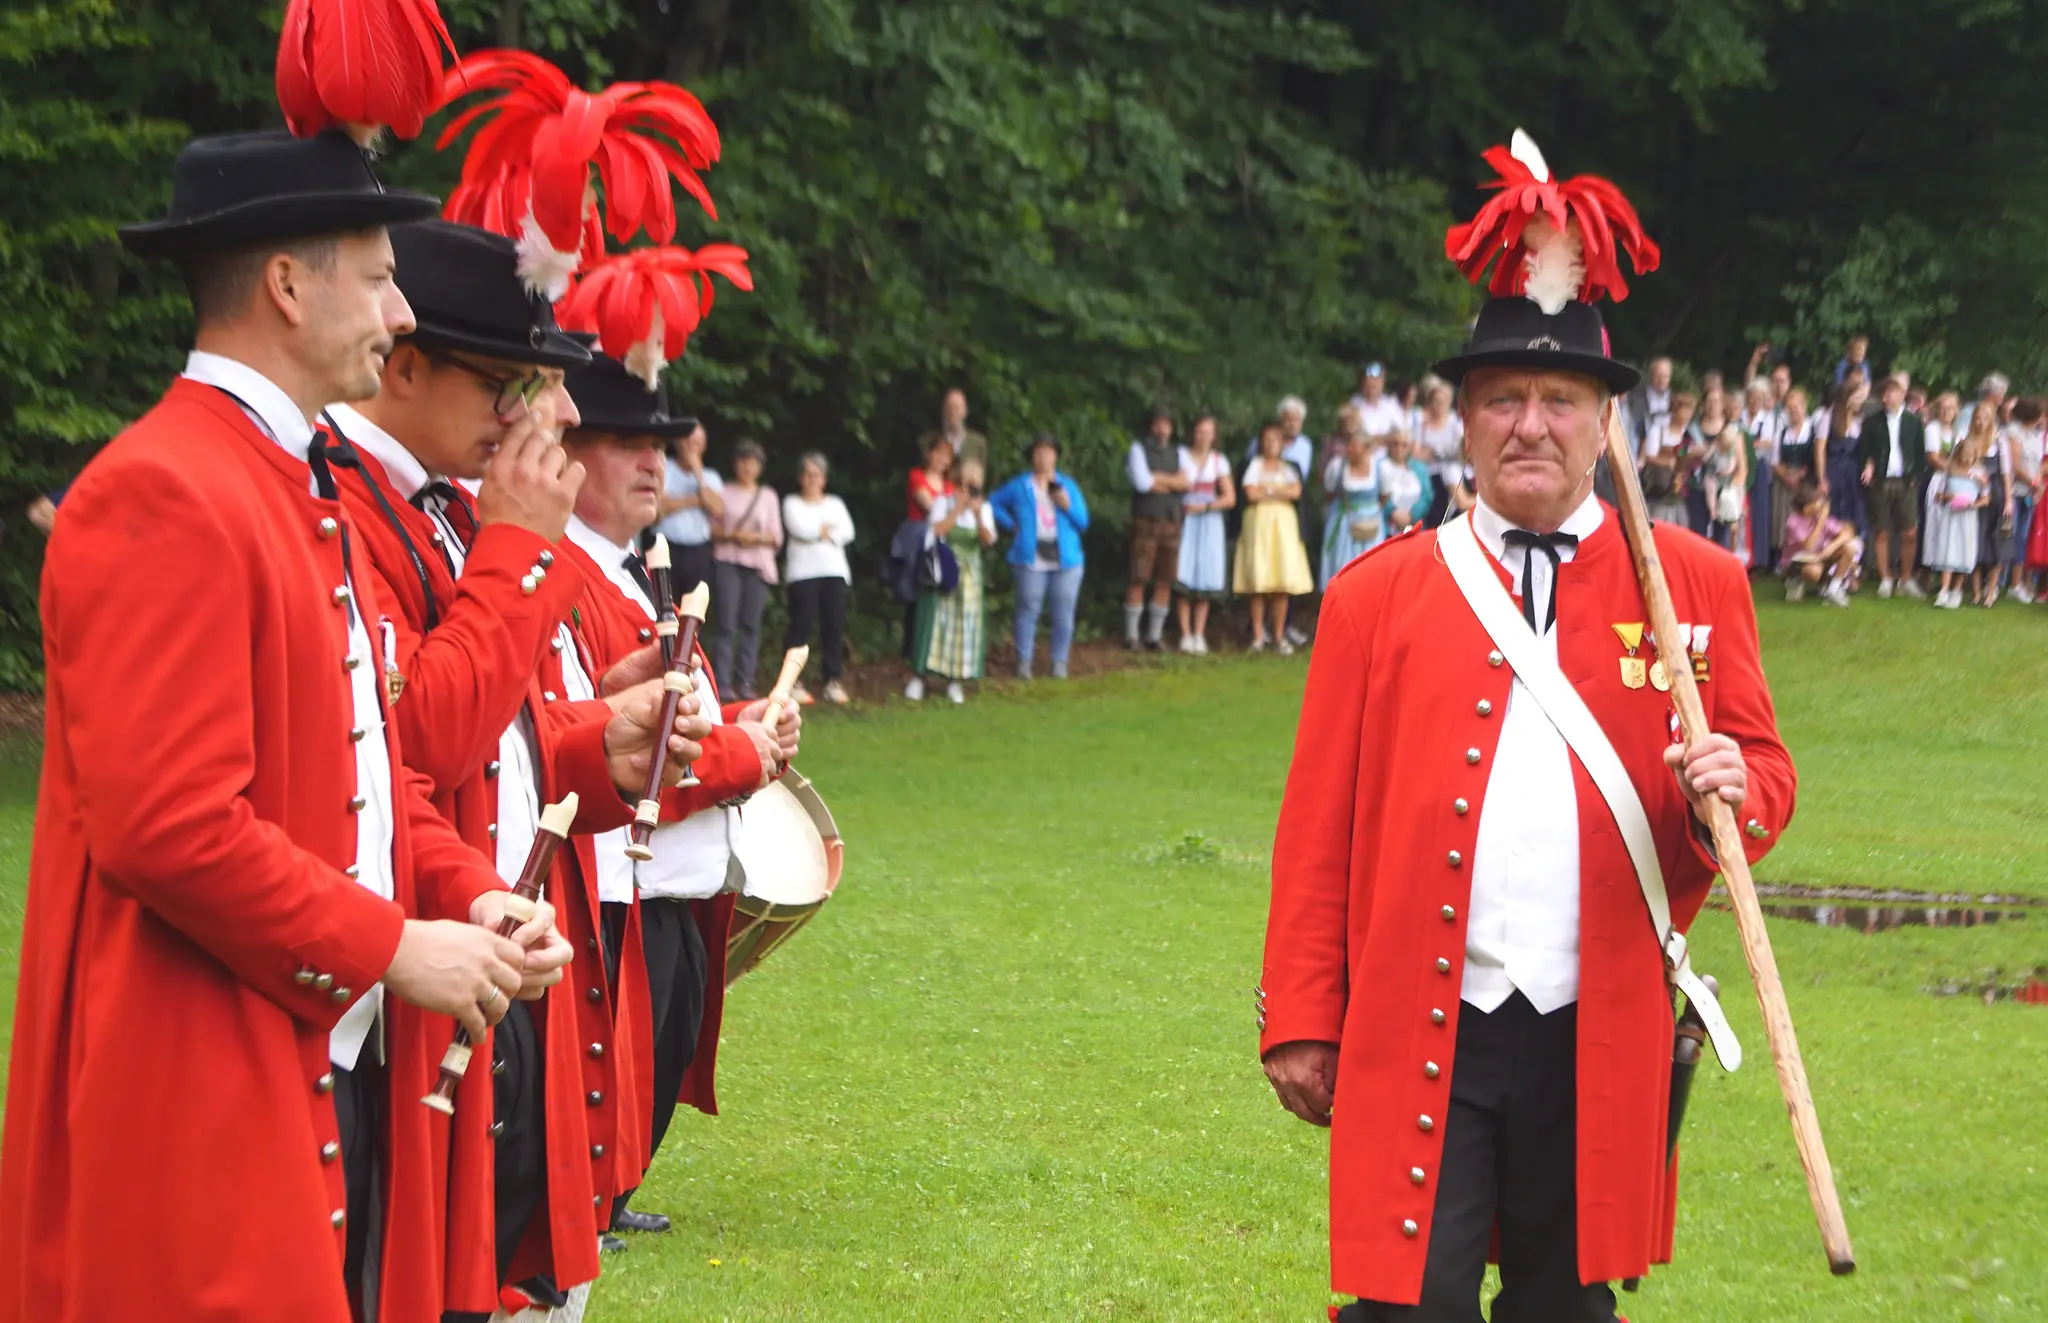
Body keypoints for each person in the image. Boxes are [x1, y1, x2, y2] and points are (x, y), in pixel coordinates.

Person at [0, 128, 571, 1323]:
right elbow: (169, 828)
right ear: (286, 286)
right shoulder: (165, 486)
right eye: (379, 277)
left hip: (309, 1057)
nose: (401, 312)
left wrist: (463, 893)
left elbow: (364, 772)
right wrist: (392, 947)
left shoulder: (296, 480)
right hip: (202, 1078)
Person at [1263, 136, 1794, 1323]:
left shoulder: (1696, 584)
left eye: (1560, 402)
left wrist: (1732, 788)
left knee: (1565, 1308)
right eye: (1502, 399)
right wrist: (1300, 1014)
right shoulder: (1373, 595)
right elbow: (1315, 828)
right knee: (1409, 1306)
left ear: (1605, 424)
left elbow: (1763, 772)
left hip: (1600, 1021)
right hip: (1422, 1015)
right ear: (1460, 422)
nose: (1530, 426)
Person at [322, 220, 700, 1314]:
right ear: (405, 369)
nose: (552, 417)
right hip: (418, 970)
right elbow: (421, 742)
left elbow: (497, 739)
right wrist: (522, 549)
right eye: (512, 385)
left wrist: (599, 737)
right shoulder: (365, 506)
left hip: (483, 950)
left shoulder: (442, 507)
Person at [555, 350, 801, 1244]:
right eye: (628, 443)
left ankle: (611, 1192)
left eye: (659, 446)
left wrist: (744, 717)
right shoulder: (567, 575)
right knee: (613, 1053)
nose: (653, 463)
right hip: (625, 868)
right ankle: (587, 1198)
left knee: (667, 1039)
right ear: (570, 452)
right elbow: (614, 739)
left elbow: (680, 713)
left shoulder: (632, 569)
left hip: (676, 875)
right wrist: (742, 751)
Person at [991, 434, 1089, 679]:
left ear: (1056, 456)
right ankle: (1023, 662)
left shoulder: (1068, 486)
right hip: (1030, 556)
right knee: (1028, 608)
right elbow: (992, 503)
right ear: (1032, 456)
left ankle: (1059, 662)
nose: (1043, 457)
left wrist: (1067, 506)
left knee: (1063, 612)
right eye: (1038, 452)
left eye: (1048, 452)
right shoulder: (1020, 486)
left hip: (1066, 559)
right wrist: (1011, 525)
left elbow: (1083, 522)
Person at [908, 459, 998, 702]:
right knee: (935, 623)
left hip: (969, 575)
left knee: (962, 627)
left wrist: (977, 514)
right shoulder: (942, 503)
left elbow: (988, 540)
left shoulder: (984, 509)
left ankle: (954, 681)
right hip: (943, 570)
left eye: (973, 486)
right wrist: (957, 509)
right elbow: (936, 531)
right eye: (962, 484)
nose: (967, 491)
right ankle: (919, 677)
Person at [708, 438, 783, 700]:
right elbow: (712, 529)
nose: (747, 467)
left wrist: (755, 538)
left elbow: (776, 536)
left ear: (760, 466)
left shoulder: (768, 496)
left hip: (758, 567)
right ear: (735, 464)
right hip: (728, 561)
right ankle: (722, 682)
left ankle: (746, 681)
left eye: (752, 462)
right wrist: (732, 535)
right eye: (743, 461)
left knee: (751, 625)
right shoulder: (723, 491)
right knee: (726, 623)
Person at [781, 452, 856, 704]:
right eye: (808, 474)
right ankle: (792, 682)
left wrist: (820, 533)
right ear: (800, 478)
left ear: (824, 479)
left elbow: (848, 532)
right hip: (802, 574)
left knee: (833, 628)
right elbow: (799, 529)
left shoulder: (835, 503)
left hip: (835, 573)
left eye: (817, 475)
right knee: (800, 627)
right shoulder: (791, 503)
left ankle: (832, 681)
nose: (813, 479)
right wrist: (823, 531)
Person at [1233, 422, 1313, 653]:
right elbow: (1250, 493)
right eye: (1267, 440)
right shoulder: (1253, 466)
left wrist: (1266, 491)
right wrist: (1279, 492)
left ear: (1282, 444)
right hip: (1258, 525)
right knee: (1258, 581)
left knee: (1281, 581)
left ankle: (1279, 636)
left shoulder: (1289, 467)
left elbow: (1296, 492)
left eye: (1275, 440)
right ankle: (1258, 636)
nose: (1271, 445)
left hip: (1283, 527)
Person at [1858, 373, 1928, 598]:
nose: (1886, 398)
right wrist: (1868, 467)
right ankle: (1885, 578)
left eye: (1890, 393)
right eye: (1883, 394)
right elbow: (1864, 452)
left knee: (1909, 532)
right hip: (1880, 482)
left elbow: (1920, 454)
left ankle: (1906, 579)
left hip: (1905, 482)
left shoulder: (1913, 421)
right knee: (1881, 531)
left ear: (1901, 394)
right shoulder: (1872, 422)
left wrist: (1914, 477)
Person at [1124, 407, 1188, 650]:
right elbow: (1142, 483)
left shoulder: (1179, 452)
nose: (1162, 429)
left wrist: (1158, 479)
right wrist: (1172, 482)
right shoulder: (1138, 449)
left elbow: (1187, 483)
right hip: (1146, 522)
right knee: (1139, 577)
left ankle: (1154, 636)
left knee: (1165, 579)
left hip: (1172, 522)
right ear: (1151, 426)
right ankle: (1132, 636)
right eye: (1158, 424)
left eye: (1166, 425)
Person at [1174, 413, 1235, 654]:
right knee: (1184, 572)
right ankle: (1184, 634)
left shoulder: (1219, 462)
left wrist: (1205, 506)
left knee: (1205, 574)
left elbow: (1230, 497)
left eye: (1208, 432)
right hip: (1185, 520)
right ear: (1193, 433)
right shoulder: (1181, 456)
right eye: (1200, 431)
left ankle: (1199, 633)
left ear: (1214, 436)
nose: (1203, 437)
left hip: (1209, 522)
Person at [655, 420, 723, 595]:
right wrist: (698, 500)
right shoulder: (664, 467)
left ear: (704, 447)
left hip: (699, 550)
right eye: (687, 441)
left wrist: (698, 473)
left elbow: (717, 509)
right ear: (677, 442)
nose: (691, 447)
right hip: (666, 546)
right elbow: (660, 507)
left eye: (696, 443)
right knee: (663, 601)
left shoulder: (711, 476)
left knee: (695, 602)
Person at [1926, 428, 1989, 609]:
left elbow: (1986, 498)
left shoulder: (1979, 474)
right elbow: (1938, 495)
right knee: (1948, 550)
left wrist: (1974, 504)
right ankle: (1944, 590)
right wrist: (1949, 497)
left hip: (1967, 517)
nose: (1966, 458)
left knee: (1963, 552)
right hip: (1951, 516)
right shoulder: (1949, 471)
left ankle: (1957, 590)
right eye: (1964, 454)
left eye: (1970, 455)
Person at [1321, 427, 1384, 589]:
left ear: (1366, 449)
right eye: (1349, 445)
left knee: (1371, 570)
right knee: (1343, 568)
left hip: (1371, 526)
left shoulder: (1378, 466)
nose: (1349, 449)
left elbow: (1384, 495)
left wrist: (1368, 510)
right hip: (1344, 525)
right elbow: (1329, 493)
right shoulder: (1337, 466)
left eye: (1355, 446)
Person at [1781, 485, 1861, 606]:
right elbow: (1808, 547)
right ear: (1807, 508)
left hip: (1819, 557)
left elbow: (1847, 534)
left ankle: (1833, 589)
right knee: (1814, 572)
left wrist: (1830, 548)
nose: (1821, 504)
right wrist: (1821, 521)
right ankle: (1794, 582)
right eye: (1817, 502)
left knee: (1849, 549)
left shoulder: (1821, 517)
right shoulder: (1793, 522)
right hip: (1799, 561)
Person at [1997, 398, 2041, 602]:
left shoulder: (2034, 434)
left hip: (2029, 493)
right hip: (2014, 491)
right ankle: (1998, 581)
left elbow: (2037, 463)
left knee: (2022, 538)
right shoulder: (2013, 433)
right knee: (2008, 535)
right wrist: (2032, 482)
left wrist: (2037, 484)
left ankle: (2015, 584)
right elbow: (2014, 465)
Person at [1818, 375, 1871, 539]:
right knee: (1834, 511)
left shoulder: (1860, 420)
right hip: (1834, 469)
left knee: (1855, 511)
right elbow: (1820, 449)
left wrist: (1869, 467)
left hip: (1853, 471)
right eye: (1857, 396)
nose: (1860, 401)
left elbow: (1867, 450)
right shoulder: (1828, 417)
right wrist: (1821, 478)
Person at [1639, 390, 1696, 526]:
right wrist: (1667, 462)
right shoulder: (1658, 430)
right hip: (1657, 492)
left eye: (1690, 411)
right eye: (1684, 410)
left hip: (1678, 494)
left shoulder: (1688, 434)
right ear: (1675, 410)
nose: (1687, 415)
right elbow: (1649, 456)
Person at [1772, 387, 1817, 555]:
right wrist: (1787, 476)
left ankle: (1806, 553)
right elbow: (1775, 461)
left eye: (1796, 407)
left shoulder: (1812, 430)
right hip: (1784, 483)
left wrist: (1801, 474)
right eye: (1789, 408)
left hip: (1806, 482)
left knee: (1805, 519)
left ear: (1804, 407)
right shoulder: (1782, 432)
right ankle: (1785, 556)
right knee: (1784, 519)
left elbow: (1815, 458)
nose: (1793, 411)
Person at [1414, 379, 1465, 524]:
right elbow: (1416, 454)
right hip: (1429, 477)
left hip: (1452, 479)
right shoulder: (1423, 426)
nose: (1438, 406)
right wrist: (1441, 453)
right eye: (1435, 401)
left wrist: (1434, 452)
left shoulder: (1455, 423)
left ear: (1448, 402)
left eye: (1442, 402)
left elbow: (1461, 451)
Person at [1703, 417, 1751, 555]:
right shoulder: (1715, 449)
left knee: (1732, 494)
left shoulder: (1730, 453)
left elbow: (1731, 466)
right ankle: (1713, 509)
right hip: (1713, 477)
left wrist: (1725, 472)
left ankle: (1737, 511)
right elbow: (1706, 458)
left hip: (1725, 481)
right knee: (1711, 490)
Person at [918, 386, 988, 477]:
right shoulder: (929, 441)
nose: (952, 412)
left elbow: (982, 478)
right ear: (943, 411)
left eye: (956, 408)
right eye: (949, 408)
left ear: (965, 412)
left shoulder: (978, 444)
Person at [1623, 354, 1673, 456]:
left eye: (1665, 376)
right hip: (1639, 454)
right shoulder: (1635, 399)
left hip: (1666, 455)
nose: (1661, 380)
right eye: (1658, 376)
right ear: (1651, 375)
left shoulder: (1675, 402)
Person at [1349, 362, 1409, 441]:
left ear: (1383, 382)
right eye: (1369, 380)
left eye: (1377, 380)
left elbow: (1404, 432)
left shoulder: (1390, 404)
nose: (1373, 382)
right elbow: (1357, 436)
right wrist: (1386, 438)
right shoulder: (1355, 403)